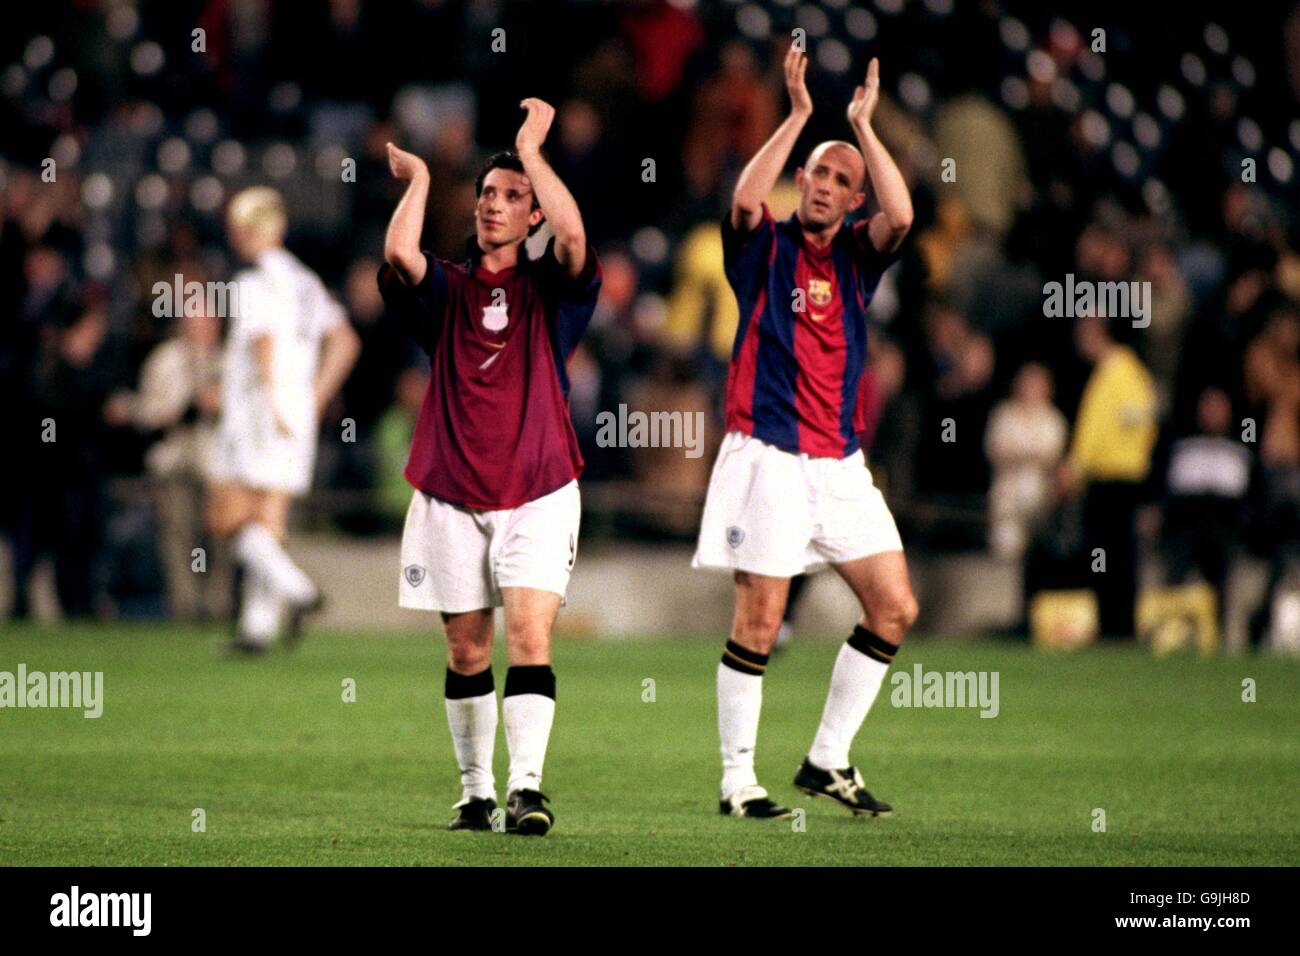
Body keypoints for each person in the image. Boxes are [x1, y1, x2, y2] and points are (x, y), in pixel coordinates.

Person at [692, 49, 916, 819]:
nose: (821, 186)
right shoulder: (763, 246)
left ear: (853, 201)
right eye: (816, 173)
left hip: (841, 464)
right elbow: (745, 197)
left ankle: (826, 759)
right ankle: (737, 782)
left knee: (893, 607)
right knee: (757, 617)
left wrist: (860, 125)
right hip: (770, 455)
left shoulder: (858, 258)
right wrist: (795, 116)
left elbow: (906, 216)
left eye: (838, 181)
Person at [378, 98, 602, 836]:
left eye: (510, 197)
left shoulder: (552, 290)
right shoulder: (448, 289)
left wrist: (531, 153)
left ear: (531, 213)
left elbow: (572, 234)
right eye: (486, 194)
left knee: (530, 639)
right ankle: (475, 793)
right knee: (467, 646)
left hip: (538, 488)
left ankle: (527, 789)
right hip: (451, 491)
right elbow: (399, 259)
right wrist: (416, 182)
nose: (493, 206)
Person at [205, 187, 360, 652]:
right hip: (296, 414)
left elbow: (263, 340)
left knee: (226, 516)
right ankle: (257, 629)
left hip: (258, 411)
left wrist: (272, 398)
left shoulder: (251, 283)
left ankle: (299, 592)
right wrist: (312, 399)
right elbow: (346, 341)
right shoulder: (306, 281)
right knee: (269, 523)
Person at [1057, 313, 1158, 638]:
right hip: (1128, 481)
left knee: (1106, 557)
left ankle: (1113, 627)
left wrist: (1074, 467)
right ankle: (1121, 627)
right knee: (1121, 558)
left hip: (1109, 482)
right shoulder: (1135, 374)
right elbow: (1146, 428)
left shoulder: (1111, 374)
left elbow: (1094, 429)